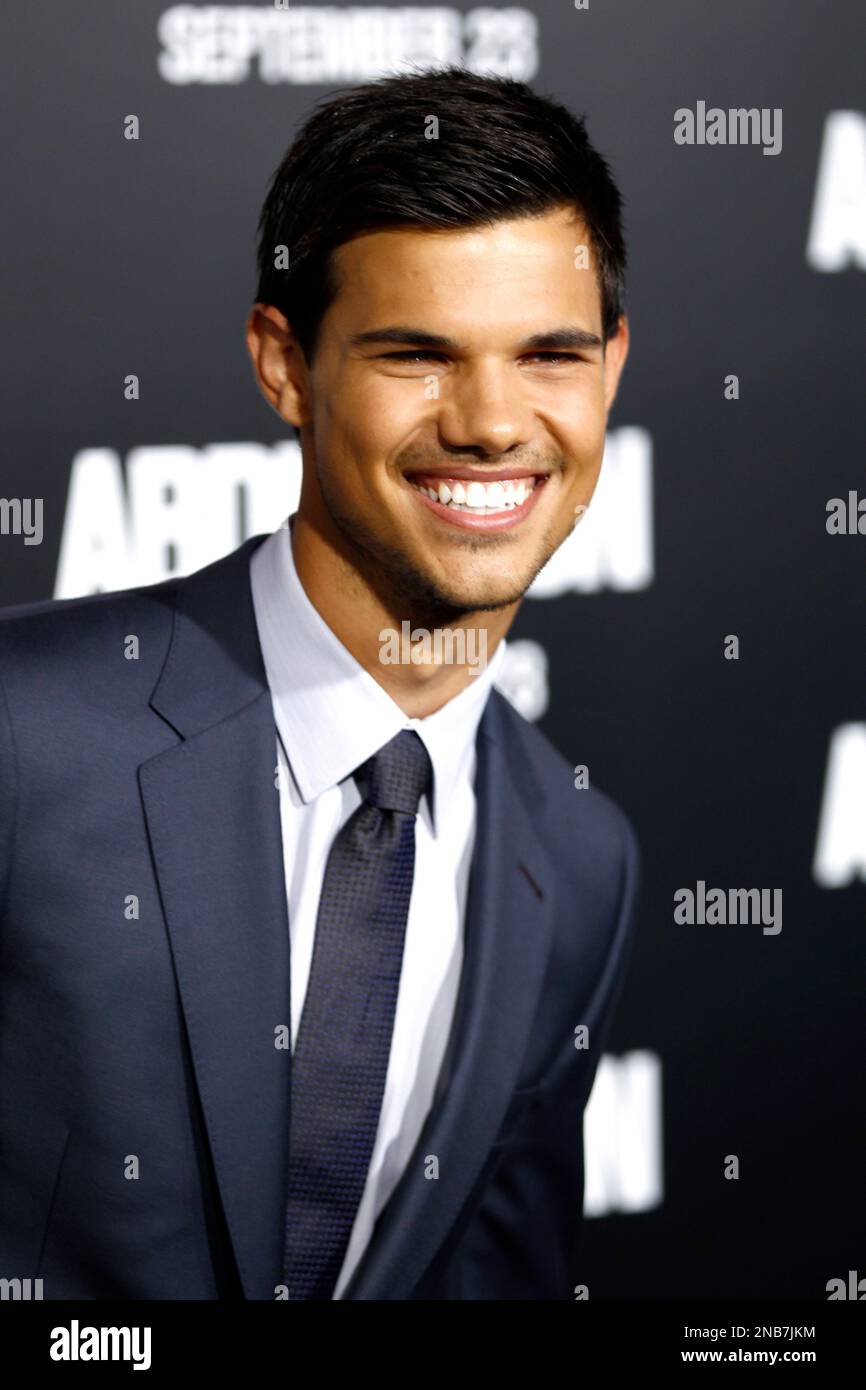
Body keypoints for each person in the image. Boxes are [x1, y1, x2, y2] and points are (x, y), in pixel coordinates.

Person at [0, 65, 640, 1300]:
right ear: (283, 365)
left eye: (548, 356)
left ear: (609, 368)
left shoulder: (579, 858)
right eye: (417, 355)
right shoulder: (26, 735)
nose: (492, 422)